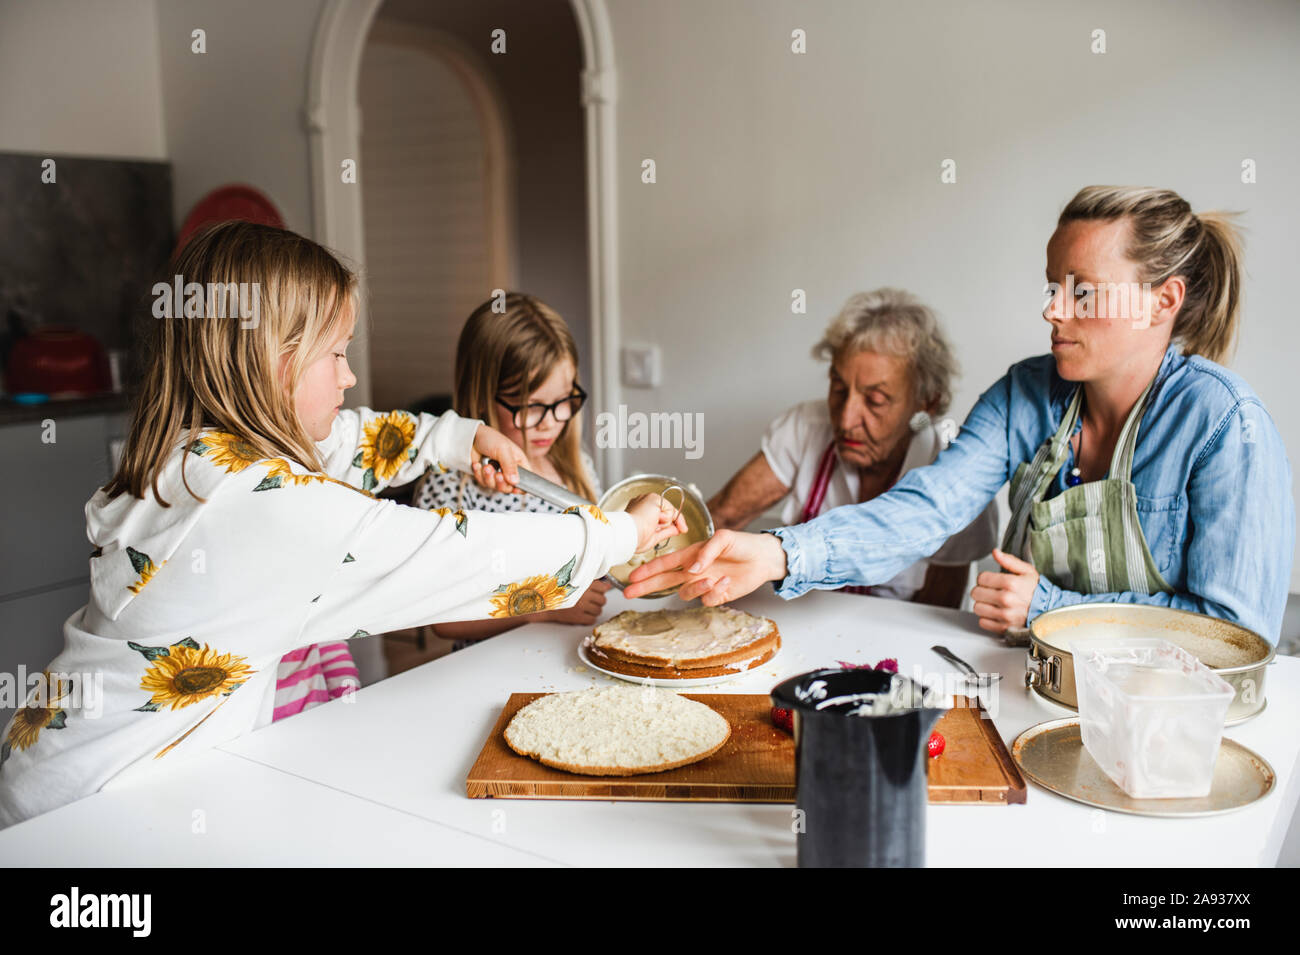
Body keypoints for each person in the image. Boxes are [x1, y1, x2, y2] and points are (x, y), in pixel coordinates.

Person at [0, 221, 684, 828]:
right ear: (276, 361)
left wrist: (454, 437)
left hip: (55, 773)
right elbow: (451, 555)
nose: (351, 376)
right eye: (336, 354)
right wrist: (616, 534)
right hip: (81, 815)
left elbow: (342, 441)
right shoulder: (259, 510)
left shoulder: (206, 453)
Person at [627, 186, 1294, 645]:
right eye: (1052, 286)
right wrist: (778, 552)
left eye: (1082, 291)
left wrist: (1054, 611)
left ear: (1162, 302)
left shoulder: (1224, 426)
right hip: (1038, 684)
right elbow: (925, 510)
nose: (1052, 310)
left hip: (1166, 729)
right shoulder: (1024, 395)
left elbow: (1233, 635)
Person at [707, 288, 997, 608]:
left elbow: (936, 616)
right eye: (839, 388)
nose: (845, 420)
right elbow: (723, 517)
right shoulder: (805, 429)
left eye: (875, 400)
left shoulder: (955, 471)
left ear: (926, 403)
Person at [413, 293, 612, 649]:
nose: (550, 424)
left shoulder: (574, 464)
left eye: (564, 401)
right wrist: (544, 608)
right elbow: (441, 621)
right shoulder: (451, 488)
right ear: (484, 393)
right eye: (531, 407)